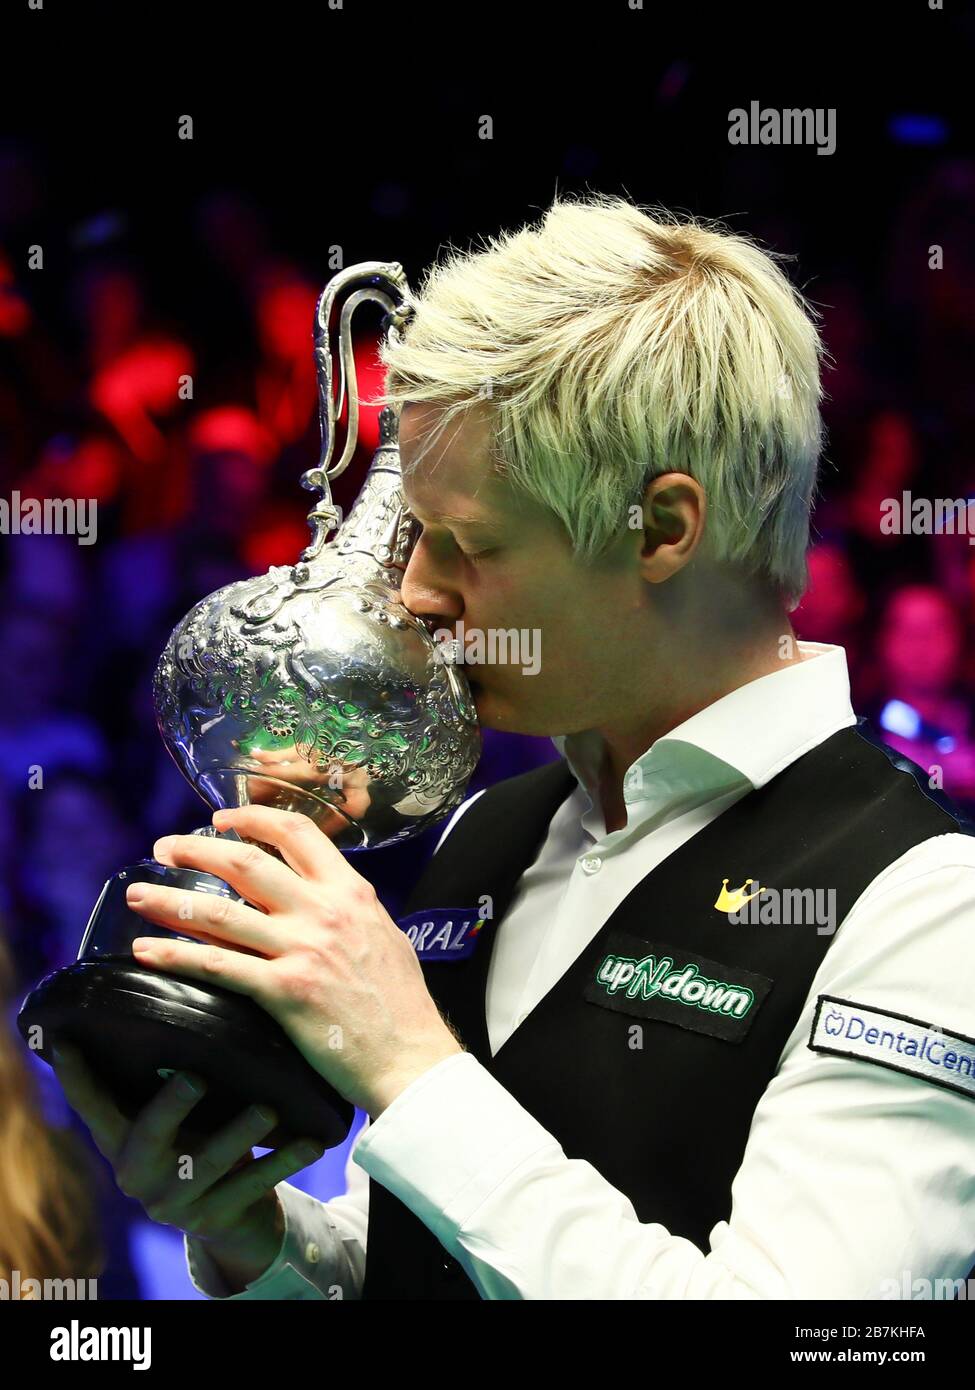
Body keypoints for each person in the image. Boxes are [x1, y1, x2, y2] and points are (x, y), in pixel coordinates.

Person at [53, 194, 975, 1300]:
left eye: (469, 544)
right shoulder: (490, 829)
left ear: (663, 528)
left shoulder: (924, 905)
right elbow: (422, 1261)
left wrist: (408, 1065)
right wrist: (263, 1242)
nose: (416, 590)